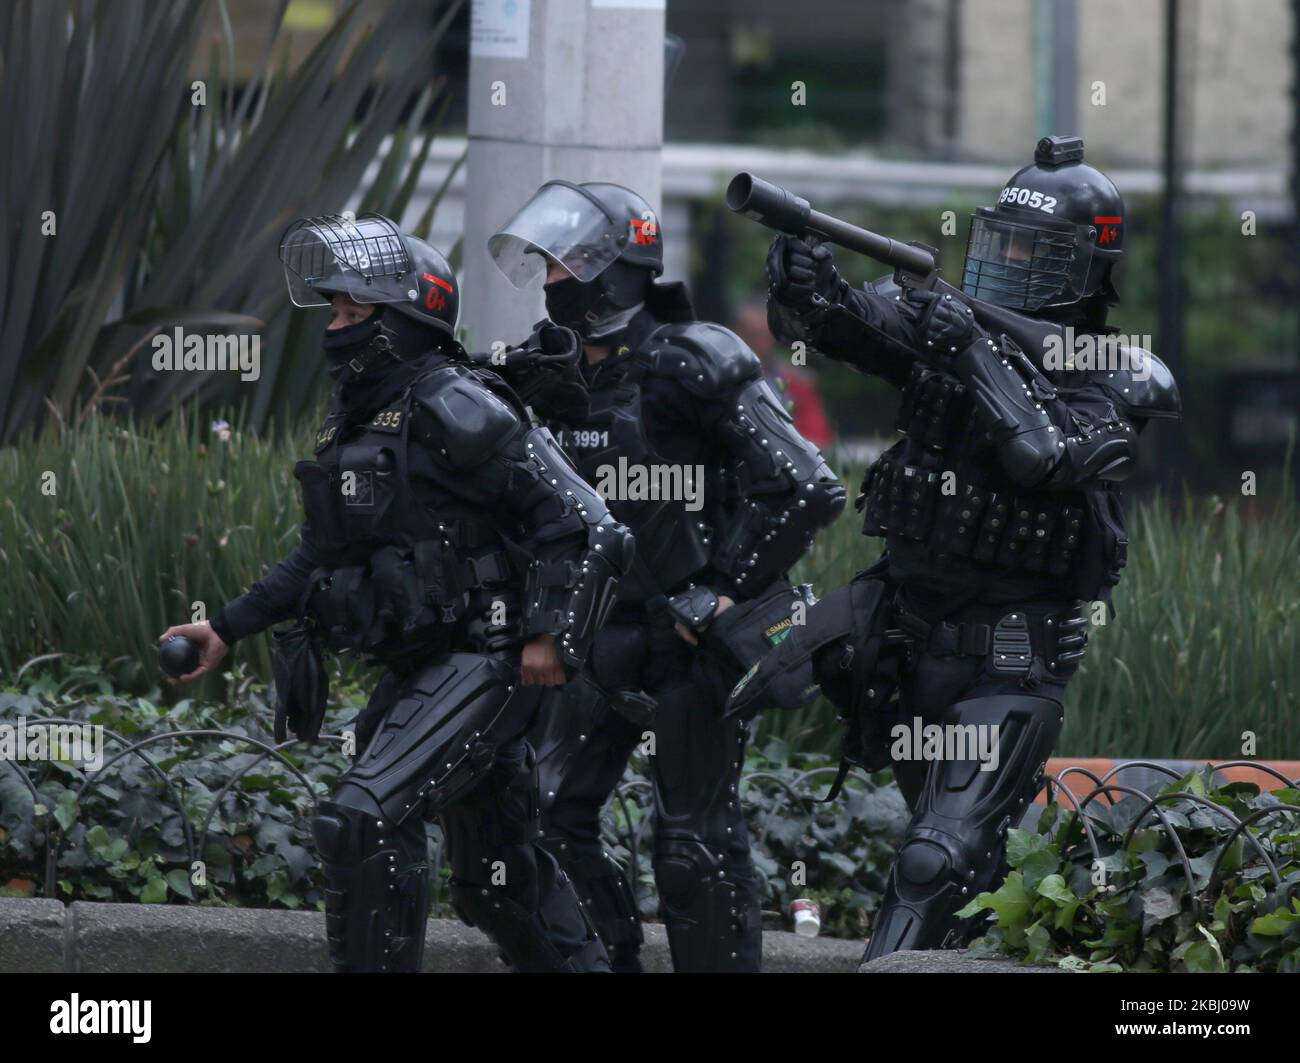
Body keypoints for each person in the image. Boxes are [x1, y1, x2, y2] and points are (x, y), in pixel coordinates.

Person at [161, 212, 632, 972]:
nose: (337, 329)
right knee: (495, 884)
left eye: (355, 314)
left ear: (409, 320)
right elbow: (318, 555)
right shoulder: (358, 425)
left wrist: (552, 637)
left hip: (488, 660)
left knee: (361, 821)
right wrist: (223, 627)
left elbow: (590, 526)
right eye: (336, 314)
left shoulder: (457, 402)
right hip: (424, 666)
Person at [762, 136, 1181, 960]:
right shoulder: (946, 319)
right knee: (720, 681)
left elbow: (1047, 456)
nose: (1012, 259)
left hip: (1009, 663)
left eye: (1033, 248)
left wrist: (969, 349)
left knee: (935, 858)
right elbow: (854, 327)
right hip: (905, 638)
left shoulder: (1121, 374)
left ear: (1086, 267)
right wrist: (809, 288)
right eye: (1004, 240)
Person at [487, 180, 846, 971]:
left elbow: (808, 487)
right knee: (547, 816)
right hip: (593, 633)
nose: (550, 281)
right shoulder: (549, 372)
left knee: (693, 842)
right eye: (544, 265)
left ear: (615, 266)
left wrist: (719, 588)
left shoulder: (697, 357)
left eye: (563, 264)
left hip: (689, 643)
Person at [731, 296, 834, 449]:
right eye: (754, 336)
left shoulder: (798, 383)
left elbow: (819, 439)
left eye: (765, 337)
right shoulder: (722, 381)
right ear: (736, 333)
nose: (761, 346)